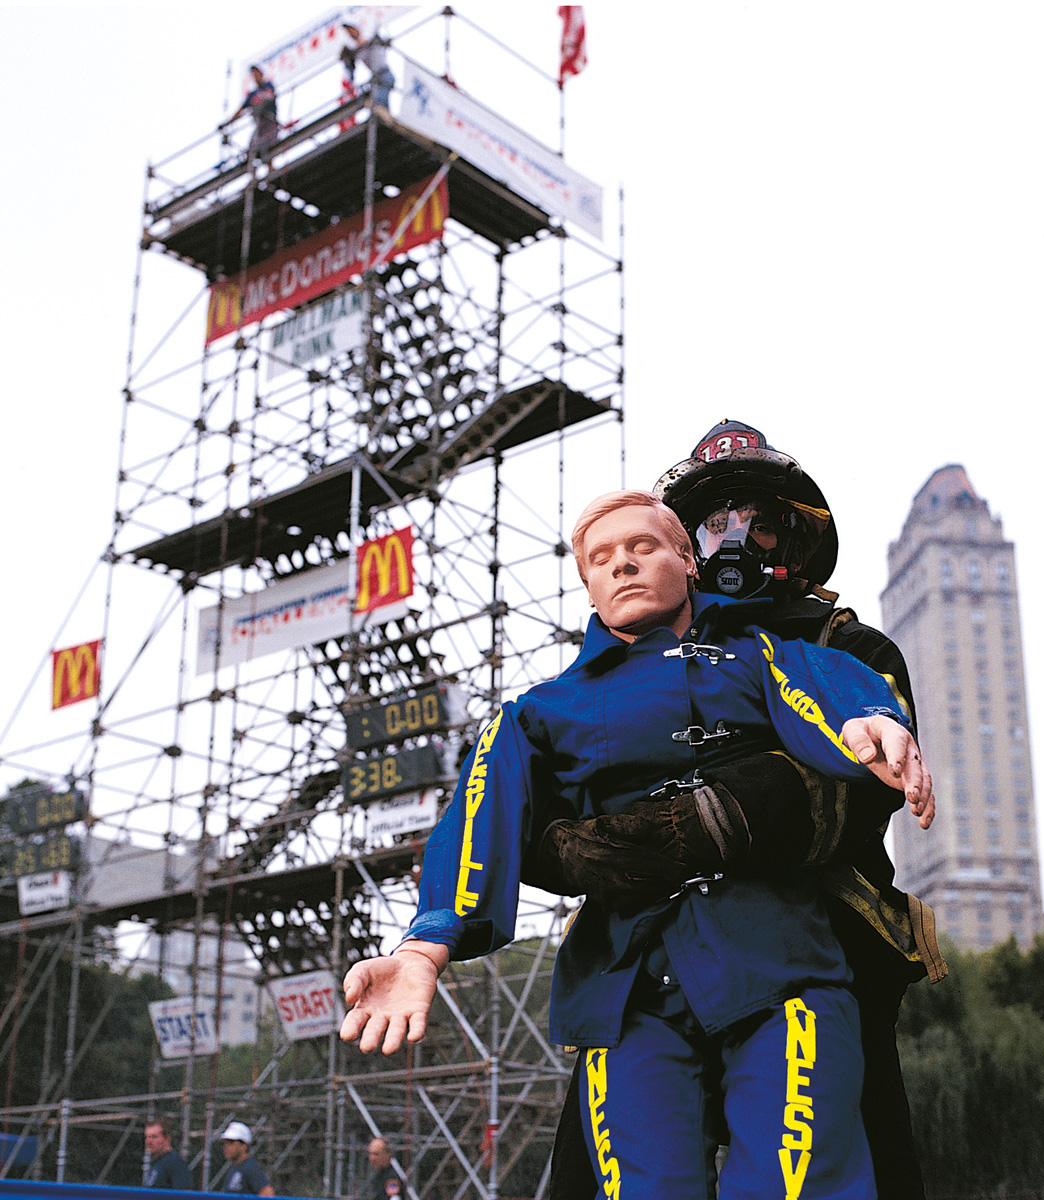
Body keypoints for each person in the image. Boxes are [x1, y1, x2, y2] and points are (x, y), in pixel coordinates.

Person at [342, 488, 932, 1198]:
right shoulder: (536, 711)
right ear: (586, 582)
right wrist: (423, 947)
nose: (623, 564)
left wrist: (870, 723)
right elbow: (477, 817)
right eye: (601, 557)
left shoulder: (768, 652)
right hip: (623, 991)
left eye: (644, 546)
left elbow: (828, 692)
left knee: (800, 1181)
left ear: (688, 560)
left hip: (783, 965)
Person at [534, 420, 945, 1200]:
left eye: (756, 519)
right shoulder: (619, 666)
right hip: (646, 957)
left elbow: (853, 795)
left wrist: (692, 824)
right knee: (589, 1174)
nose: (735, 539)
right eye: (715, 522)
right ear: (685, 544)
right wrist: (560, 847)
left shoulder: (849, 651)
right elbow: (546, 793)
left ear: (790, 533)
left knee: (864, 1160)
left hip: (817, 947)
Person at [219, 66, 278, 161]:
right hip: (259, 124)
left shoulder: (268, 86)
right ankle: (254, 173)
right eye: (253, 75)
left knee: (267, 146)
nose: (255, 77)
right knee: (252, 148)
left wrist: (262, 99)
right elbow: (241, 110)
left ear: (261, 74)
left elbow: (270, 94)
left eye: (256, 74)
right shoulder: (252, 94)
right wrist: (227, 123)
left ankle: (270, 169)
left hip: (269, 121)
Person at [342, 24, 395, 110]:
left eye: (351, 30)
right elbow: (350, 71)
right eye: (348, 32)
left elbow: (384, 41)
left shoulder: (370, 38)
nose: (350, 33)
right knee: (376, 101)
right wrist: (348, 60)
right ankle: (385, 120)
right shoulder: (356, 49)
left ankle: (385, 120)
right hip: (376, 77)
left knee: (379, 101)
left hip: (385, 74)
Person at [218, 1121, 274, 1196]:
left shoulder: (250, 1168)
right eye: (225, 1143)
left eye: (231, 1142)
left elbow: (267, 1193)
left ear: (244, 1145)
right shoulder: (234, 1170)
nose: (226, 1146)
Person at [143, 1119, 192, 1190]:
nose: (148, 1141)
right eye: (147, 1137)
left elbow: (185, 1195)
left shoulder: (174, 1162)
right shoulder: (157, 1163)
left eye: (154, 1137)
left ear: (167, 1139)